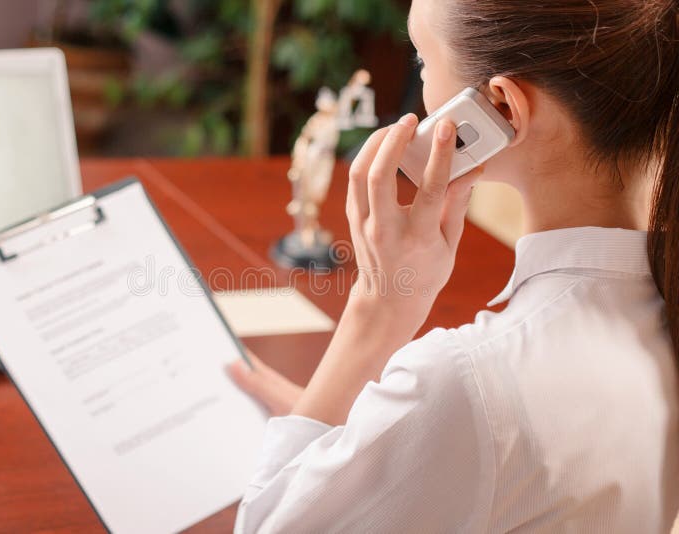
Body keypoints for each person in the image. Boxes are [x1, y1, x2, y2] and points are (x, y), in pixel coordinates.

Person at [227, 0, 679, 531]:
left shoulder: (472, 382)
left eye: (422, 60)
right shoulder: (652, 308)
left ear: (503, 109)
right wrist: (360, 435)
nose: (420, 89)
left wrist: (378, 313)